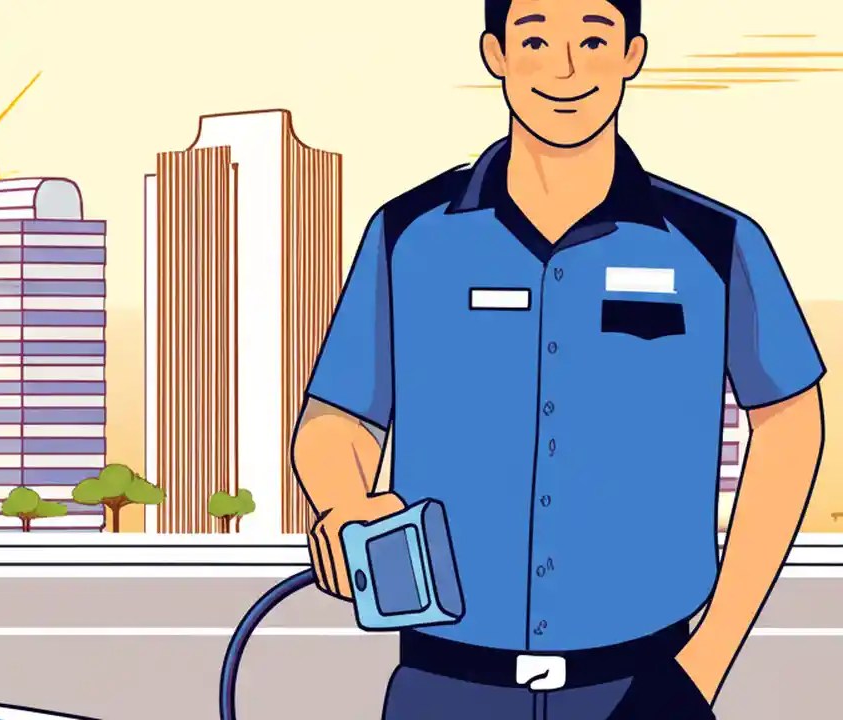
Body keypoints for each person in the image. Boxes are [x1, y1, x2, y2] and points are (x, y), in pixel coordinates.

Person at [290, 0, 826, 718]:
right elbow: (336, 420)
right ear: (495, 53)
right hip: (441, 687)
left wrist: (705, 664)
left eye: (593, 38)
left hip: (647, 683)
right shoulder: (407, 235)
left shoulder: (715, 242)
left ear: (633, 53)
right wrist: (346, 501)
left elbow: (791, 421)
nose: (565, 67)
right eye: (535, 37)